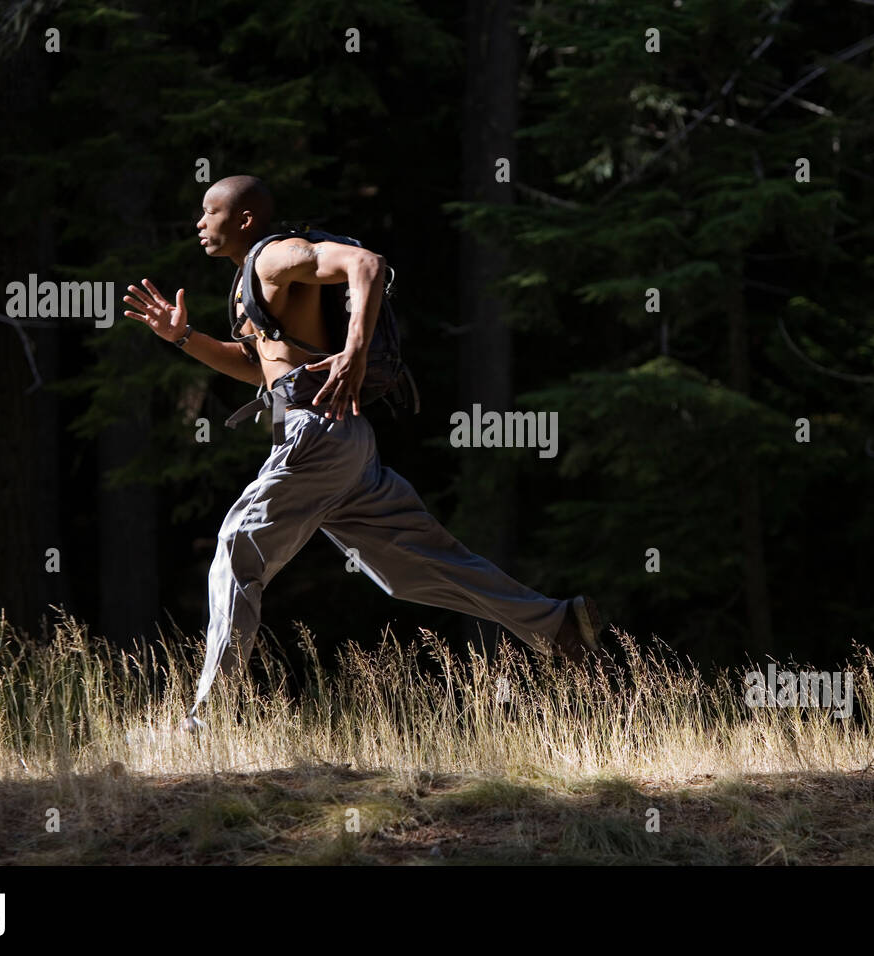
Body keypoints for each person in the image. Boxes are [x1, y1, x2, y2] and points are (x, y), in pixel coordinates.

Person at [122, 175, 603, 728]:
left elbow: (367, 263)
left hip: (316, 433)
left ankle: (206, 718)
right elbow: (256, 365)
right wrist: (184, 339)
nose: (199, 223)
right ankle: (556, 625)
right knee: (413, 567)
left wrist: (353, 352)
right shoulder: (248, 283)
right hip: (338, 440)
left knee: (236, 547)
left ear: (246, 219)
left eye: (209, 211)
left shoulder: (274, 256)